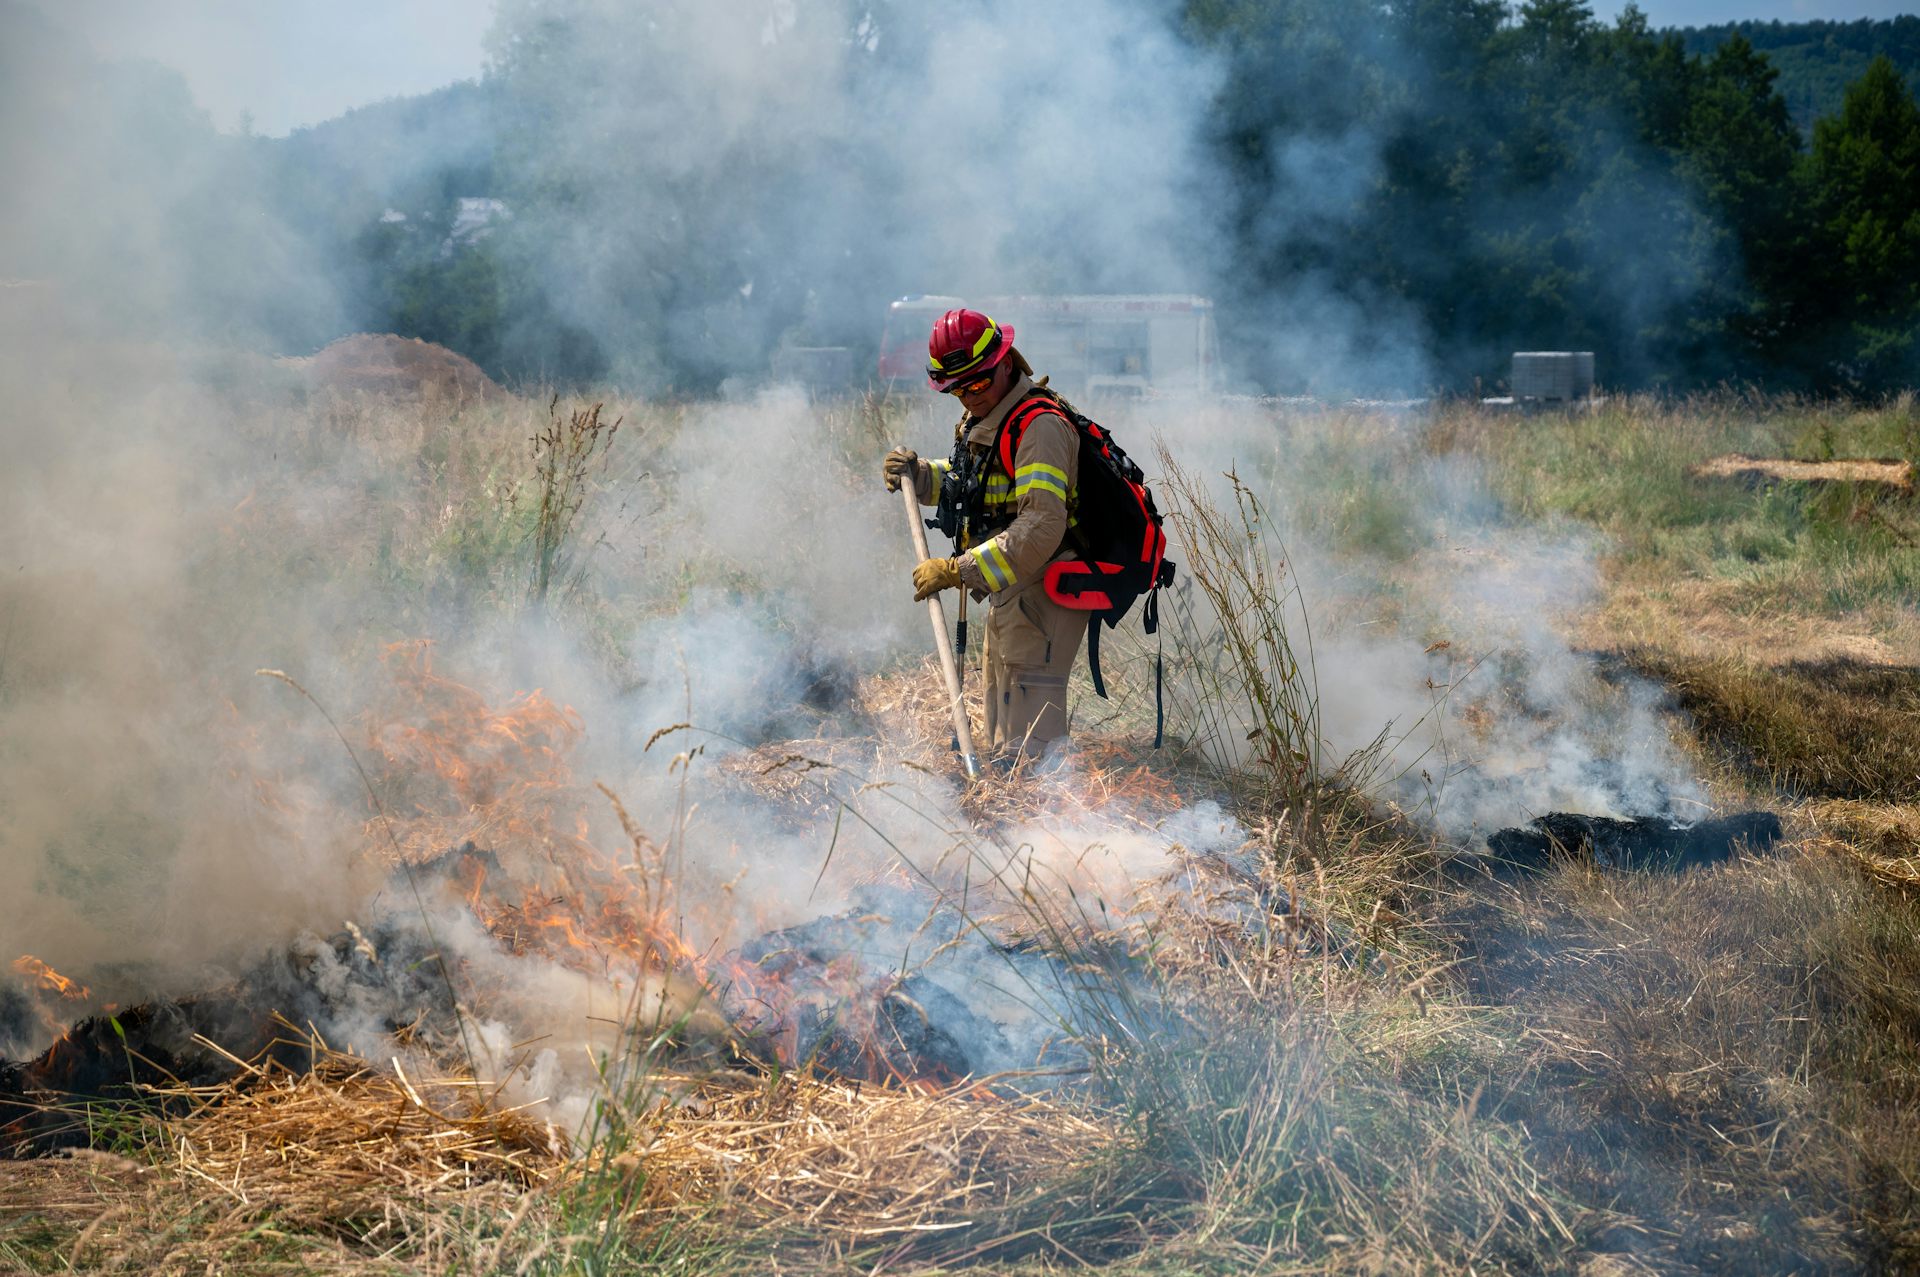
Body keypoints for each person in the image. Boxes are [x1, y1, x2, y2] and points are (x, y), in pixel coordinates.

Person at [883, 308, 1087, 764]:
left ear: (1007, 362)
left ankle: (1054, 822)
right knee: (1003, 723)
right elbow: (969, 484)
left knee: (1031, 741)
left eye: (975, 384)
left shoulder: (1040, 427)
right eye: (955, 389)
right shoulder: (992, 415)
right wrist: (918, 475)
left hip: (1043, 589)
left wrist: (959, 570)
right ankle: (1010, 810)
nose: (967, 397)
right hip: (1009, 586)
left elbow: (1041, 525)